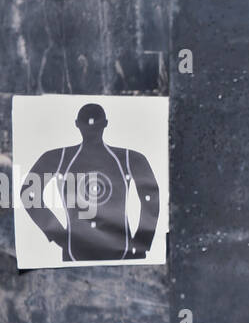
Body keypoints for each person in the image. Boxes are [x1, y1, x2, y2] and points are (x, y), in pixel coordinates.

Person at [20, 102, 160, 262]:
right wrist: (143, 241)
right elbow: (151, 197)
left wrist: (58, 235)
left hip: (76, 250)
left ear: (77, 124)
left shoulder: (60, 158)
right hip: (119, 251)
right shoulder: (130, 158)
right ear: (106, 123)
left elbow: (29, 194)